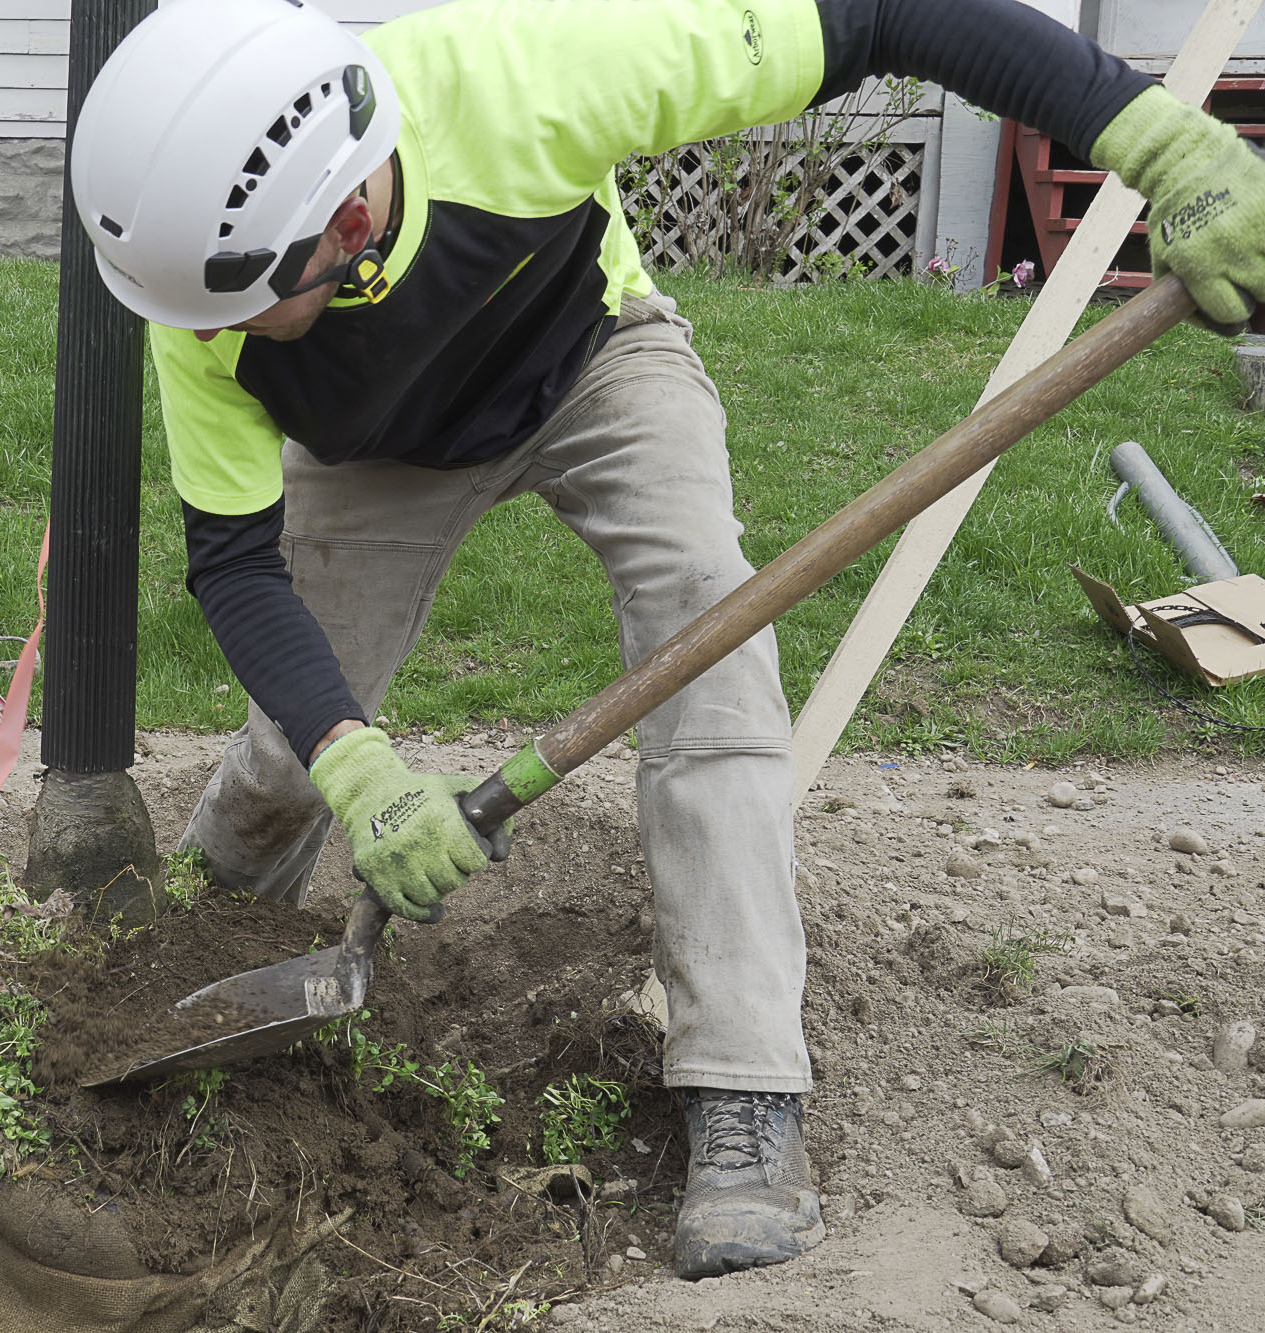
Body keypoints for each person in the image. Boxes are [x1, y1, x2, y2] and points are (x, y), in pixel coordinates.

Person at [67, 0, 1265, 1278]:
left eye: (240, 308)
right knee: (297, 743)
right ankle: (183, 943)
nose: (199, 341)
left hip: (595, 363)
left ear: (349, 226)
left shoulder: (524, 80)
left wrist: (1158, 142)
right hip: (375, 454)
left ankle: (744, 1086)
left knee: (706, 629)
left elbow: (886, 15)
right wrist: (355, 766)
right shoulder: (205, 298)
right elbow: (238, 570)